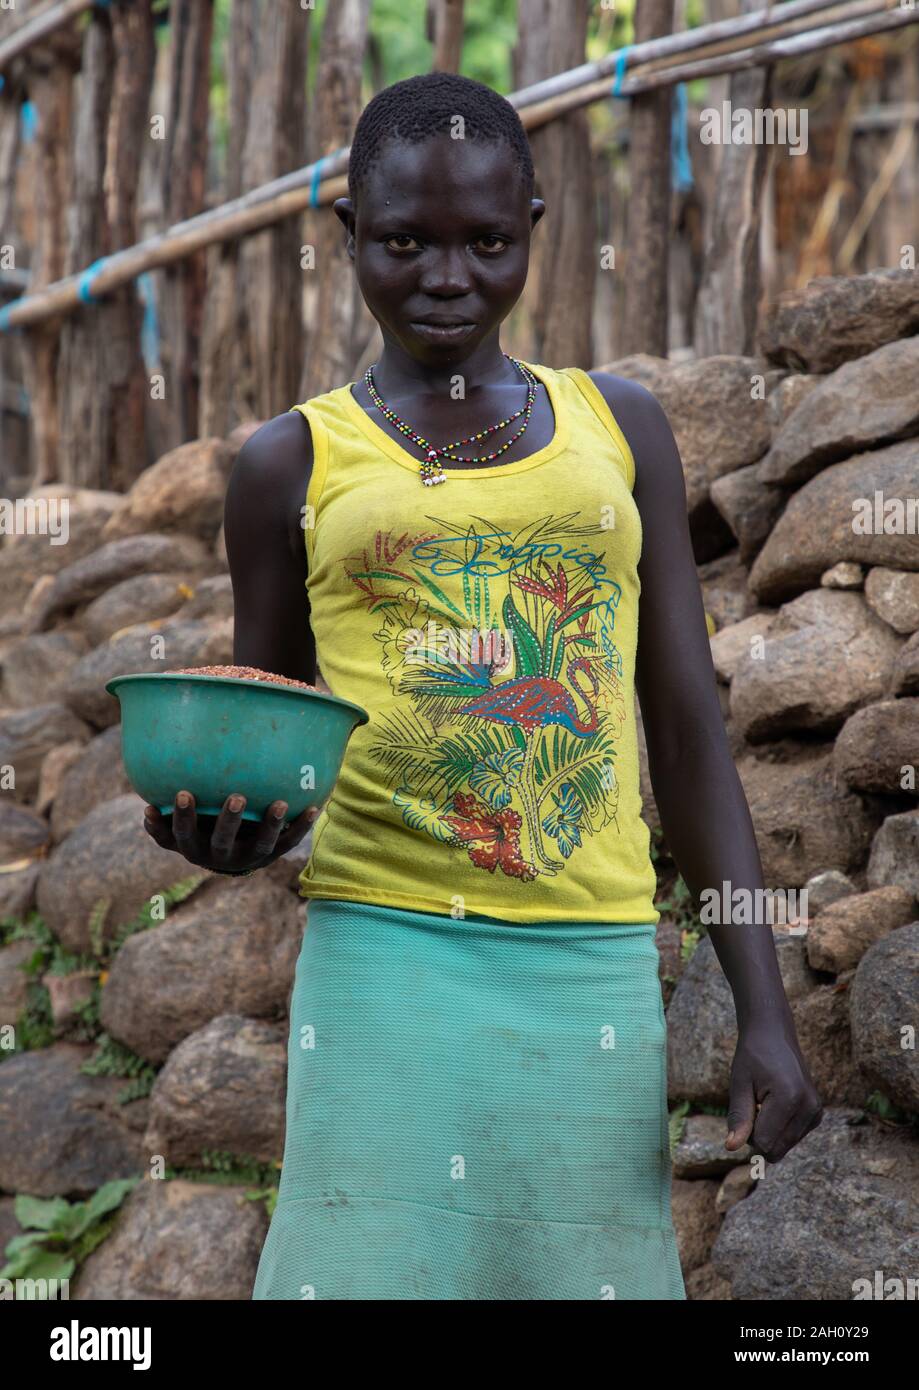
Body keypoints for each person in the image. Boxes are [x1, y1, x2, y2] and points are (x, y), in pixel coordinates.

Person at [143, 72, 822, 1301]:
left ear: (533, 231)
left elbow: (682, 727)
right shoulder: (289, 462)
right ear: (350, 236)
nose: (446, 275)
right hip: (383, 959)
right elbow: (276, 733)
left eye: (485, 242)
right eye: (404, 240)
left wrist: (761, 1008)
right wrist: (227, 834)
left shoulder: (619, 430)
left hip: (587, 964)